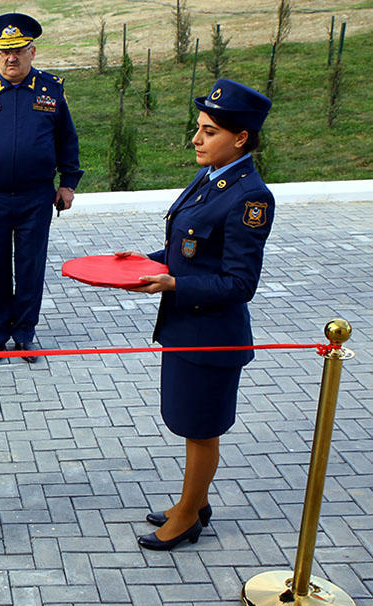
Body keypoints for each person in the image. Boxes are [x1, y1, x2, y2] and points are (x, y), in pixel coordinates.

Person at [117, 79, 274, 550]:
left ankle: (188, 517)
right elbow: (188, 249)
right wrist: (147, 261)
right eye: (198, 129)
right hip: (187, 328)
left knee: (200, 430)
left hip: (212, 335)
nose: (196, 139)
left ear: (240, 137)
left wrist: (174, 284)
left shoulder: (250, 197)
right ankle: (195, 499)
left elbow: (239, 283)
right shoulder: (214, 177)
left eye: (208, 131)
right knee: (187, 422)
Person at [0, 13, 82, 364]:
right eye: (5, 51)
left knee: (29, 266)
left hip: (36, 197)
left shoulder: (51, 91)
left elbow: (67, 140)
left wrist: (68, 184)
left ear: (32, 53)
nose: (11, 58)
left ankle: (24, 333)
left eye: (19, 51)